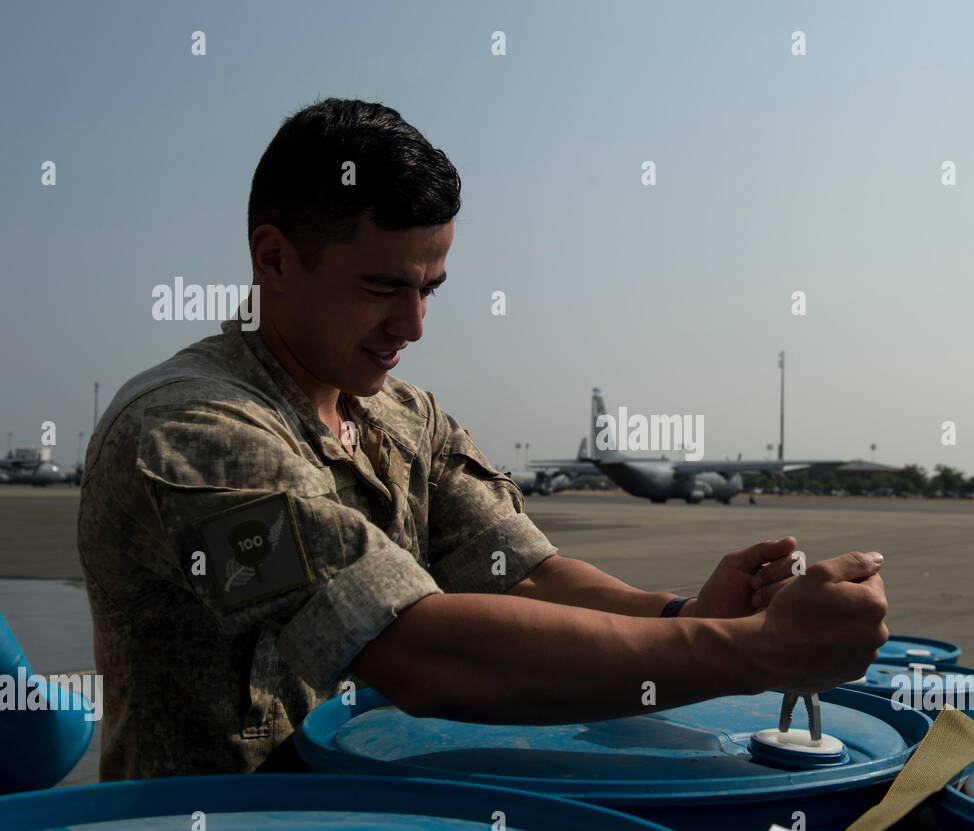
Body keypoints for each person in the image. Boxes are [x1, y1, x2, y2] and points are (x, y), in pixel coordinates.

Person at [77, 98, 888, 781]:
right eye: (382, 287)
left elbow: (523, 580)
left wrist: (682, 613)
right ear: (274, 259)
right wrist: (750, 652)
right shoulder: (191, 437)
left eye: (430, 289)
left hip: (355, 821)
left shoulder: (402, 418)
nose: (414, 326)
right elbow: (416, 654)